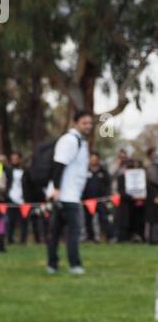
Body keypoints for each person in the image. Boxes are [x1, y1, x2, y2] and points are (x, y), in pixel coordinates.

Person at [45, 110, 92, 274]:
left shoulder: (80, 141)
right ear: (75, 123)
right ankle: (74, 265)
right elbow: (59, 165)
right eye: (84, 123)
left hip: (70, 194)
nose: (88, 126)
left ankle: (52, 264)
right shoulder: (70, 140)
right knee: (73, 230)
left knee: (56, 231)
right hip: (66, 195)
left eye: (90, 123)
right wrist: (57, 189)